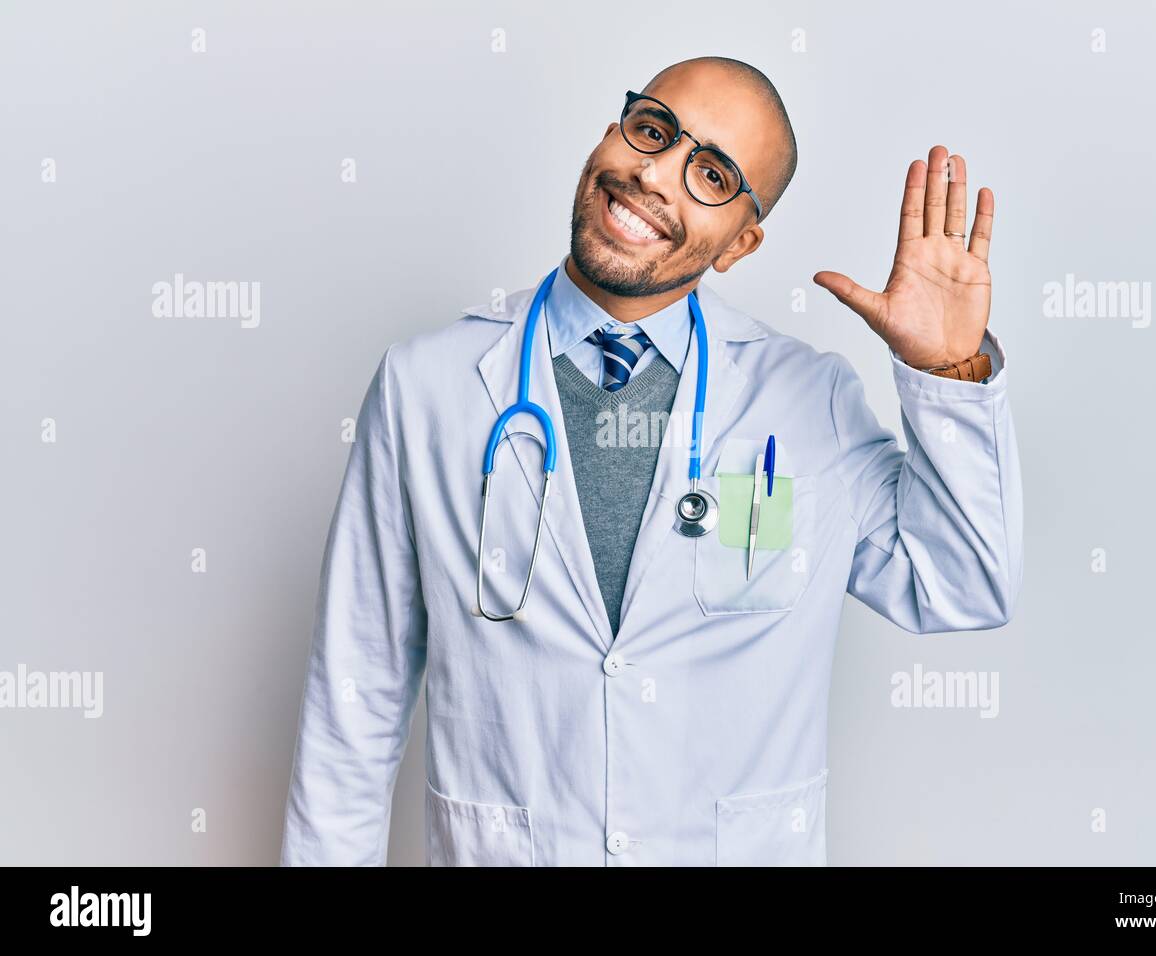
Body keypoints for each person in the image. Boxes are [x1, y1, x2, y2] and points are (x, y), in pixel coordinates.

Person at [280, 56, 1023, 867]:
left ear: (741, 244)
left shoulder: (809, 404)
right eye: (652, 130)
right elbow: (354, 707)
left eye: (710, 173)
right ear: (611, 133)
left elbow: (961, 586)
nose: (655, 176)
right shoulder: (427, 388)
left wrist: (948, 374)